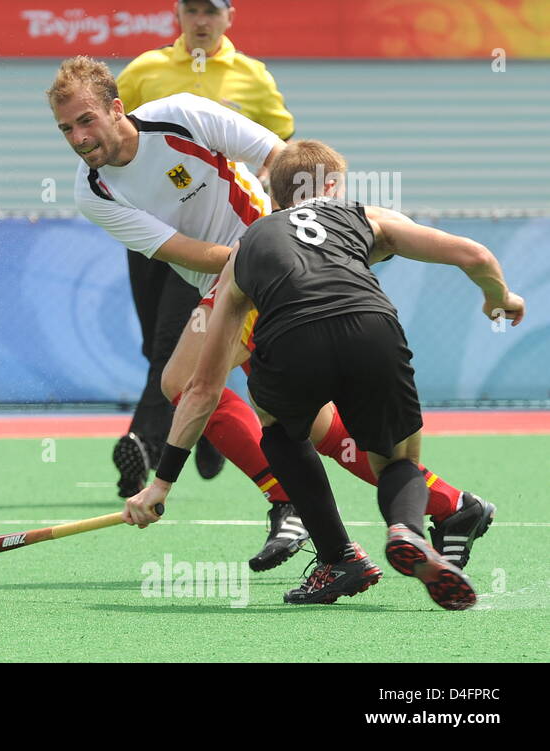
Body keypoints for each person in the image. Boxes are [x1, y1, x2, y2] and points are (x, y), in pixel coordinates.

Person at [51, 56, 483, 571]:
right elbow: (178, 249)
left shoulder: (182, 116)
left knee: (186, 384)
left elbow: (281, 160)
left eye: (85, 120)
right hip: (226, 281)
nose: (78, 138)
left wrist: (288, 250)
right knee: (317, 429)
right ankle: (452, 506)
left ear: (116, 108)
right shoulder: (92, 191)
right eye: (65, 129)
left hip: (268, 267)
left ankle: (298, 510)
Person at [122, 140, 523, 609]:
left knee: (281, 432)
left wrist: (162, 482)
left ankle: (337, 557)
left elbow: (202, 389)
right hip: (373, 328)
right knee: (397, 462)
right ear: (330, 187)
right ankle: (405, 529)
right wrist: (501, 298)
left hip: (291, 343)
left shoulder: (246, 247)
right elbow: (473, 255)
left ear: (274, 199)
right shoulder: (363, 216)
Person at [111, 0, 295, 498]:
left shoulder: (252, 77)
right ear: (177, 14)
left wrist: (281, 208)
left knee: (173, 345)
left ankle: (144, 446)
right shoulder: (146, 69)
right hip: (152, 230)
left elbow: (279, 146)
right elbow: (115, 132)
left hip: (220, 235)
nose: (199, 19)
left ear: (228, 18)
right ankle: (208, 431)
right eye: (190, 9)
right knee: (158, 344)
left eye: (209, 11)